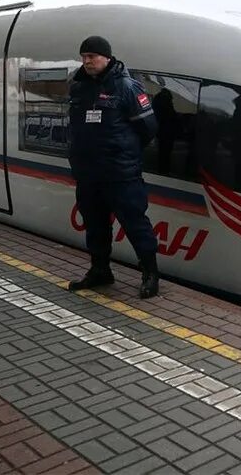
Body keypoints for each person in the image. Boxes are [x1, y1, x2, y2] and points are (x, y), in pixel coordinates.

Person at [67, 36, 161, 298]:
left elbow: (148, 128)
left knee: (135, 224)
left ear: (107, 57)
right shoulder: (78, 88)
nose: (86, 62)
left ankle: (151, 274)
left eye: (92, 57)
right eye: (83, 56)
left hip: (120, 174)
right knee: (95, 225)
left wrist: (123, 152)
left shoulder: (127, 87)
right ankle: (100, 271)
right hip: (88, 174)